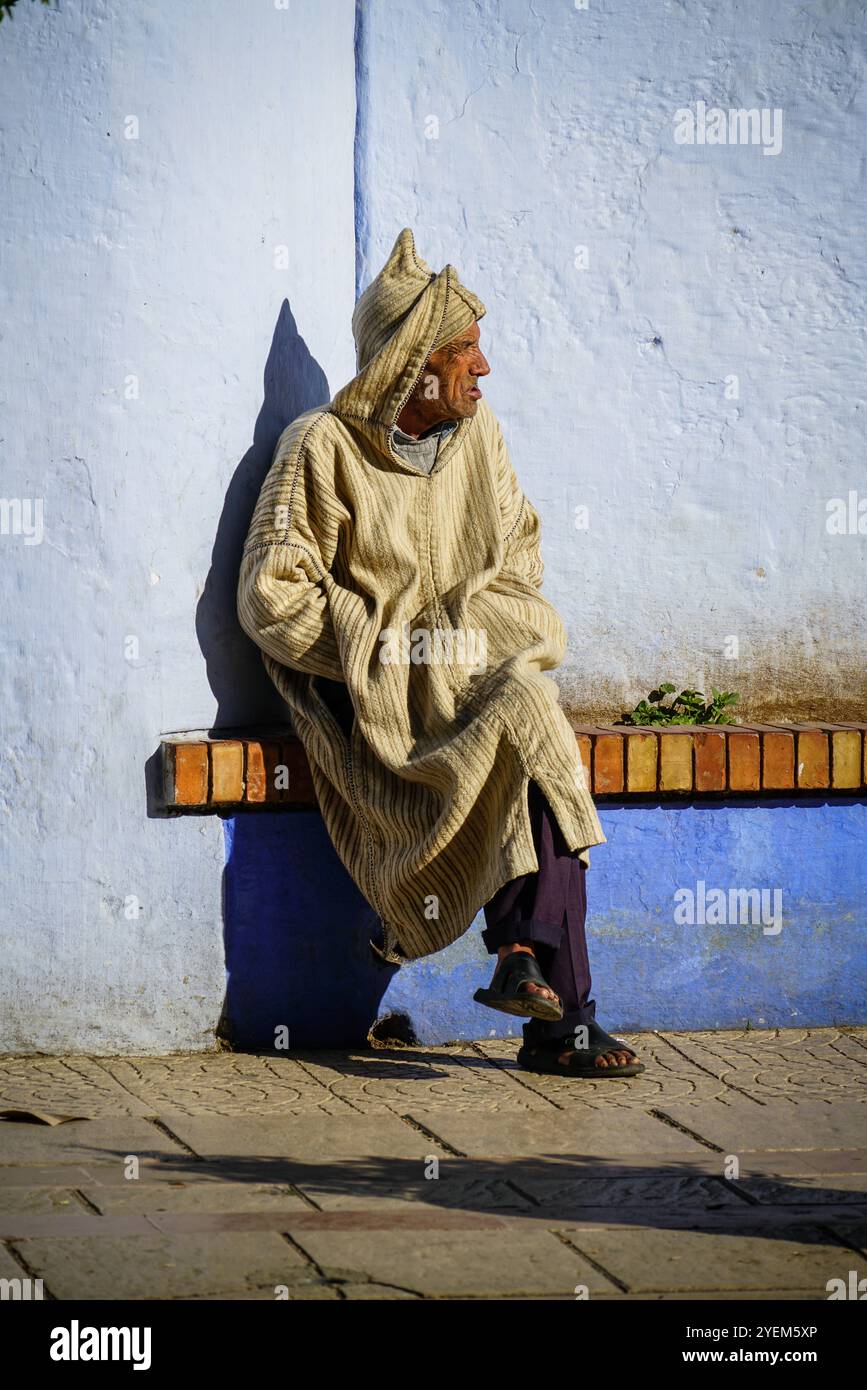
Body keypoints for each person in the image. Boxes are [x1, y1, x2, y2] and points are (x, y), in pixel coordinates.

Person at [237, 228, 643, 1079]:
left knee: (526, 713)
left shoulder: (479, 437)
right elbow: (270, 598)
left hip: (470, 682)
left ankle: (525, 962)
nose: (482, 369)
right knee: (528, 723)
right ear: (407, 364)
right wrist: (384, 650)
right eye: (463, 351)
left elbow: (519, 554)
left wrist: (463, 632)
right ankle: (556, 1019)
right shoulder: (320, 447)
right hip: (376, 712)